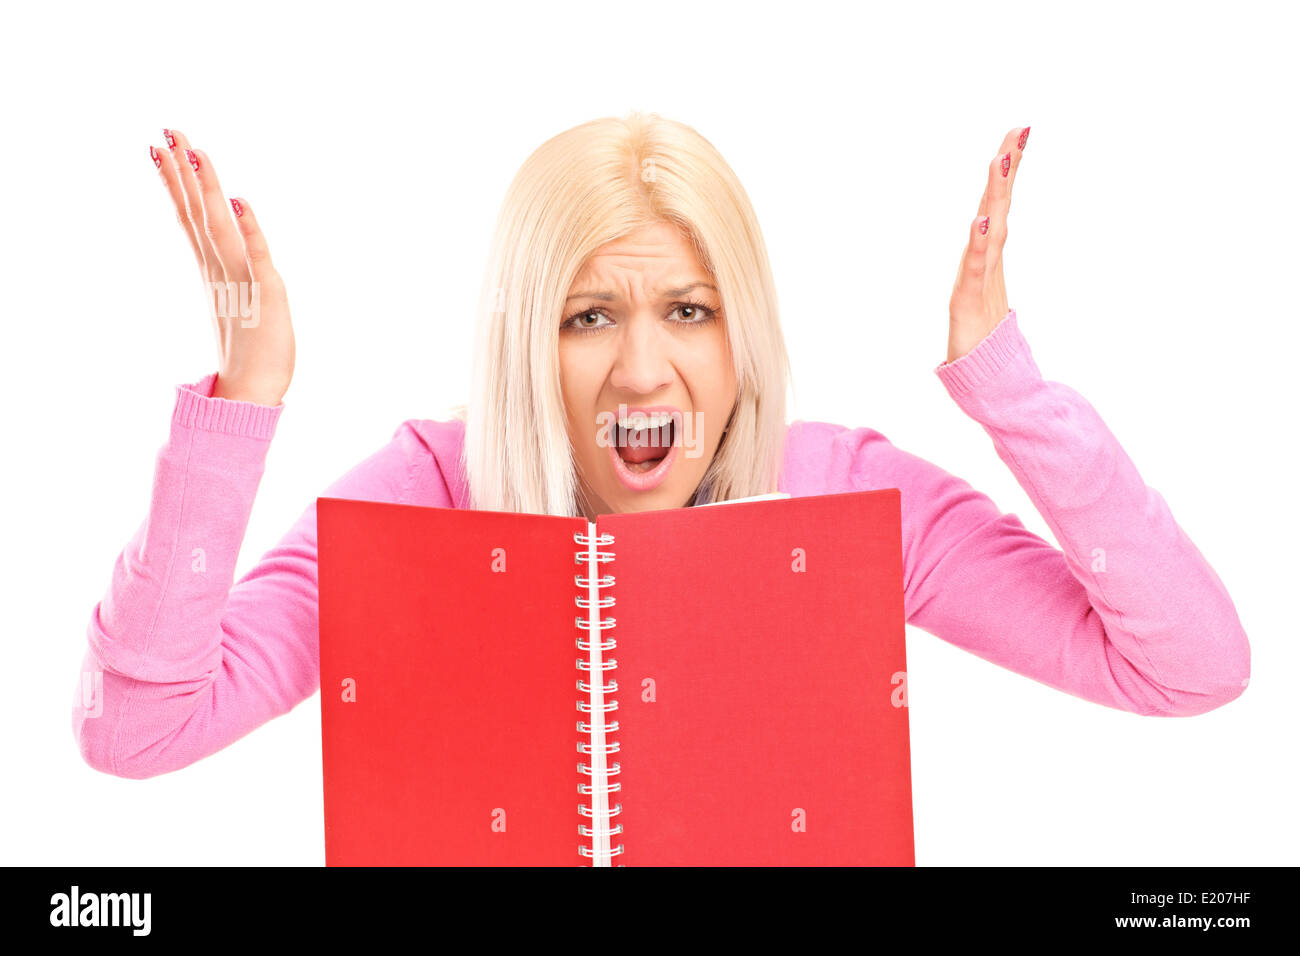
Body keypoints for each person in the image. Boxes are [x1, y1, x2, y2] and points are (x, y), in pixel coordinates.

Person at [73, 113, 1250, 780]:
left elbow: (1189, 666)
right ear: (527, 339)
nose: (642, 370)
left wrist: (1010, 387)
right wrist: (244, 395)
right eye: (589, 317)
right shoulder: (424, 491)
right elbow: (138, 730)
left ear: (744, 329)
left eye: (688, 310)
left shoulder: (845, 489)